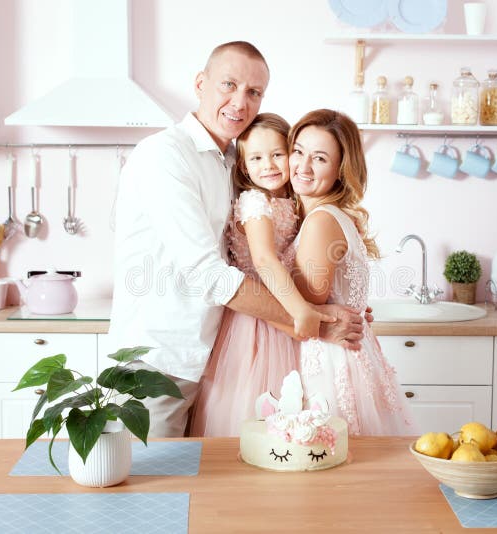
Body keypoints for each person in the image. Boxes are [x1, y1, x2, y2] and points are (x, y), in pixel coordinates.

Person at [109, 42, 365, 438]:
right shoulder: (164, 155)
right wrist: (315, 322)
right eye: (228, 84)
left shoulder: (236, 162)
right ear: (200, 83)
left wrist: (342, 302)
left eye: (254, 92)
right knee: (153, 475)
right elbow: (209, 275)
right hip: (158, 362)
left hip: (213, 358)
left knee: (214, 472)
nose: (240, 102)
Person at [190, 113, 327, 437]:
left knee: (290, 402)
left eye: (277, 154)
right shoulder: (254, 202)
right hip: (255, 317)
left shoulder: (290, 201)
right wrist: (301, 310)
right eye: (256, 158)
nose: (268, 165)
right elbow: (264, 259)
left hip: (280, 306)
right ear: (243, 166)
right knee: (255, 400)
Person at [289, 109, 412, 436]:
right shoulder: (335, 216)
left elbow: (306, 305)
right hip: (348, 353)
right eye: (298, 151)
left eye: (319, 158)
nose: (303, 166)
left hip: (329, 359)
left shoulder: (321, 221)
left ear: (341, 170)